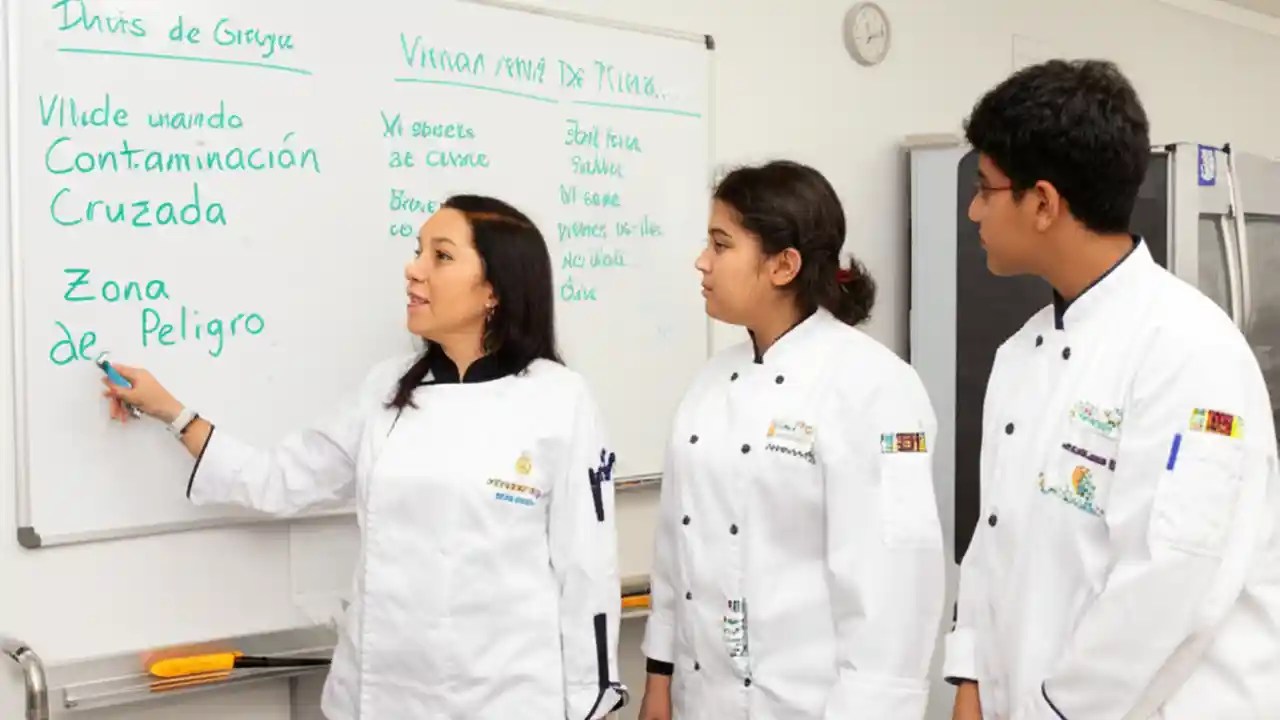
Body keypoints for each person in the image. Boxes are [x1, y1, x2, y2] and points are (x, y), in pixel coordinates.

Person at [100, 195, 628, 720]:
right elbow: (278, 481)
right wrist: (173, 412)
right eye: (418, 251)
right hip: (380, 695)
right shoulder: (386, 390)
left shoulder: (559, 400)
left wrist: (593, 705)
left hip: (508, 700)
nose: (413, 269)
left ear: (494, 289)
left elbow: (587, 573)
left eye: (441, 256)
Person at [946, 59, 1280, 719]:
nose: (974, 209)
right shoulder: (1019, 356)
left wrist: (1055, 711)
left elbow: (1169, 584)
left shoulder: (1188, 350)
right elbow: (995, 536)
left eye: (986, 188)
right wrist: (970, 680)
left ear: (1044, 203)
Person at [638, 160, 946, 720]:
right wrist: (659, 680)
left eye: (721, 245)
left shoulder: (874, 386)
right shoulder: (709, 384)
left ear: (783, 265)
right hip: (702, 700)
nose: (702, 261)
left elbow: (893, 593)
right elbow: (673, 550)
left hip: (814, 706)